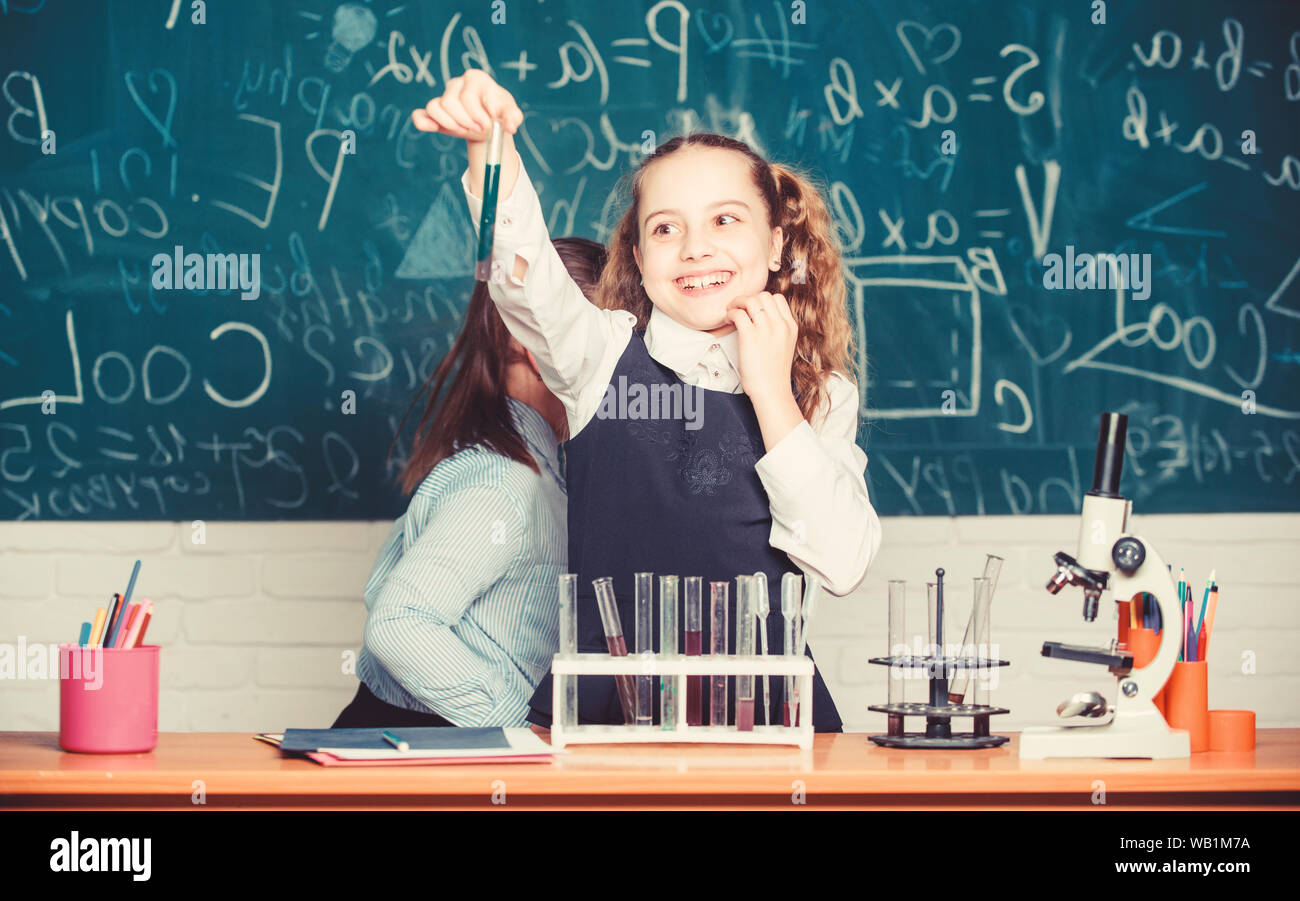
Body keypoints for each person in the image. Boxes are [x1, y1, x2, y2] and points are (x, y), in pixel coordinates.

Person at [413, 70, 882, 731]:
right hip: (609, 713)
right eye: (666, 229)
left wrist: (771, 392)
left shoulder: (820, 393)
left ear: (776, 242)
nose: (696, 248)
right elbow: (522, 277)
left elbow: (842, 561)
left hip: (768, 719)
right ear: (637, 252)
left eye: (726, 219)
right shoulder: (599, 355)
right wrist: (491, 151)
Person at [332, 237, 608, 728]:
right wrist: (521, 732)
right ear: (533, 340)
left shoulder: (537, 477)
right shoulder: (503, 485)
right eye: (601, 335)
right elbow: (400, 625)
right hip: (414, 758)